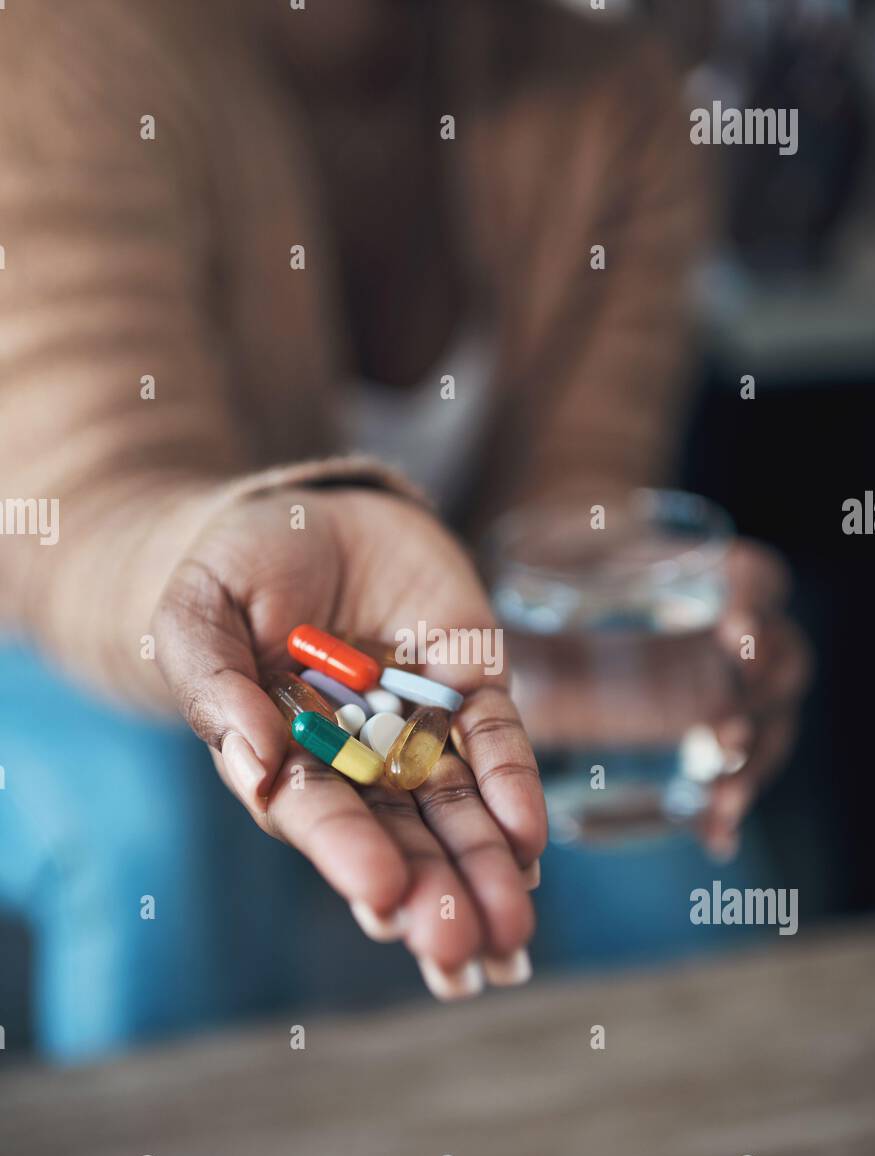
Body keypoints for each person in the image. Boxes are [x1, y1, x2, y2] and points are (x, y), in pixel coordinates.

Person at [0, 0, 808, 1056]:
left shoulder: (619, 101)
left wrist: (616, 645)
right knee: (154, 825)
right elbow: (78, 502)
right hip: (65, 630)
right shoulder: (62, 46)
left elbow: (569, 517)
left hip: (386, 655)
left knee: (656, 835)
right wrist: (221, 560)